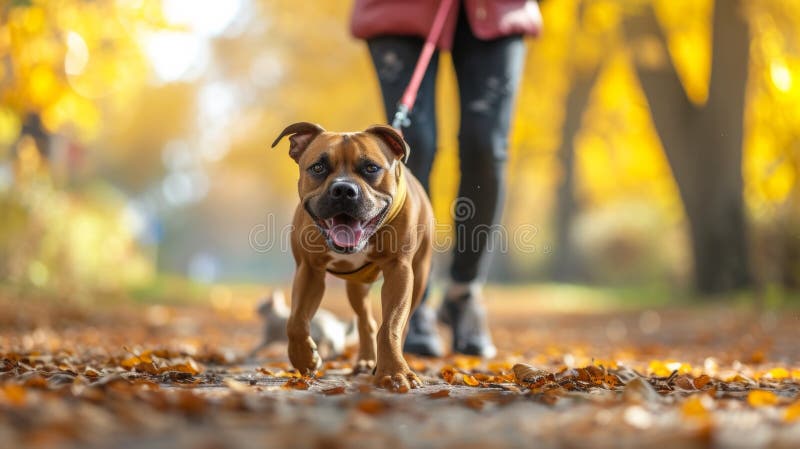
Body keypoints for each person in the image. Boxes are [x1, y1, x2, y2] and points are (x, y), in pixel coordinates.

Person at [350, 0, 542, 357]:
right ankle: (413, 294)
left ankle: (463, 294)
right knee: (412, 143)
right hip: (398, 12)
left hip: (498, 11)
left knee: (486, 145)